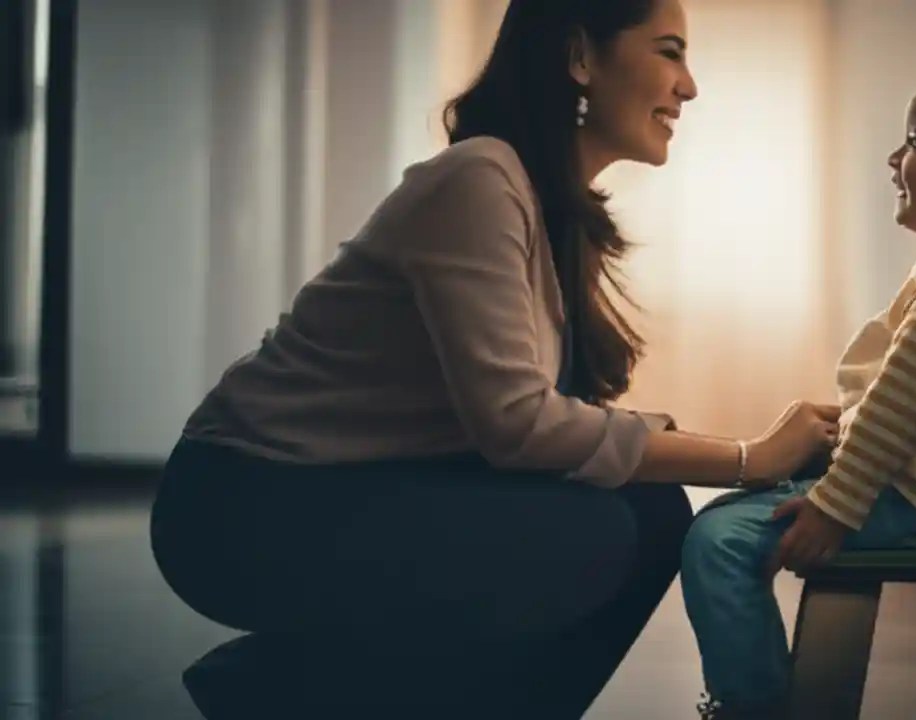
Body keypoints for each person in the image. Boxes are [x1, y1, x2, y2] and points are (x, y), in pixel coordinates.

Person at [147, 0, 841, 717]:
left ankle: (310, 685)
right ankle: (282, 685)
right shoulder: (479, 178)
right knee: (593, 536)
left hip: (349, 487)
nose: (688, 86)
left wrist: (741, 453)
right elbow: (519, 428)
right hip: (243, 504)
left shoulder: (543, 204)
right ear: (579, 58)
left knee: (649, 511)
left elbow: (542, 424)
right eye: (669, 52)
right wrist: (748, 457)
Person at [680, 51, 916, 719]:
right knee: (728, 515)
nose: (896, 158)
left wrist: (835, 506)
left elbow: (898, 404)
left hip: (909, 503)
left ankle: (752, 706)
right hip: (911, 492)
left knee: (718, 541)